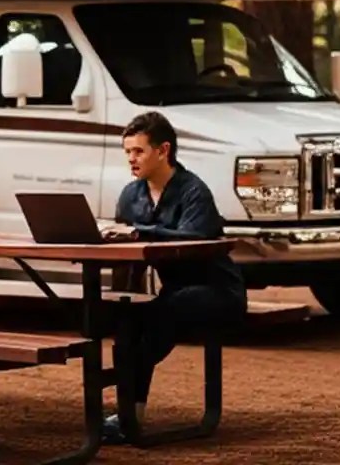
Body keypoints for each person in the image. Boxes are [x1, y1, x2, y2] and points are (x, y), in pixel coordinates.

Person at [98, 111, 247, 444]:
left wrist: (139, 233)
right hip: (175, 293)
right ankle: (130, 415)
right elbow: (127, 253)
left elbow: (192, 239)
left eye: (138, 152)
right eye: (127, 152)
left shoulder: (194, 191)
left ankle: (121, 396)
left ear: (163, 151)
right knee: (130, 319)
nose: (131, 160)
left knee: (161, 311)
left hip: (218, 292)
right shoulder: (130, 195)